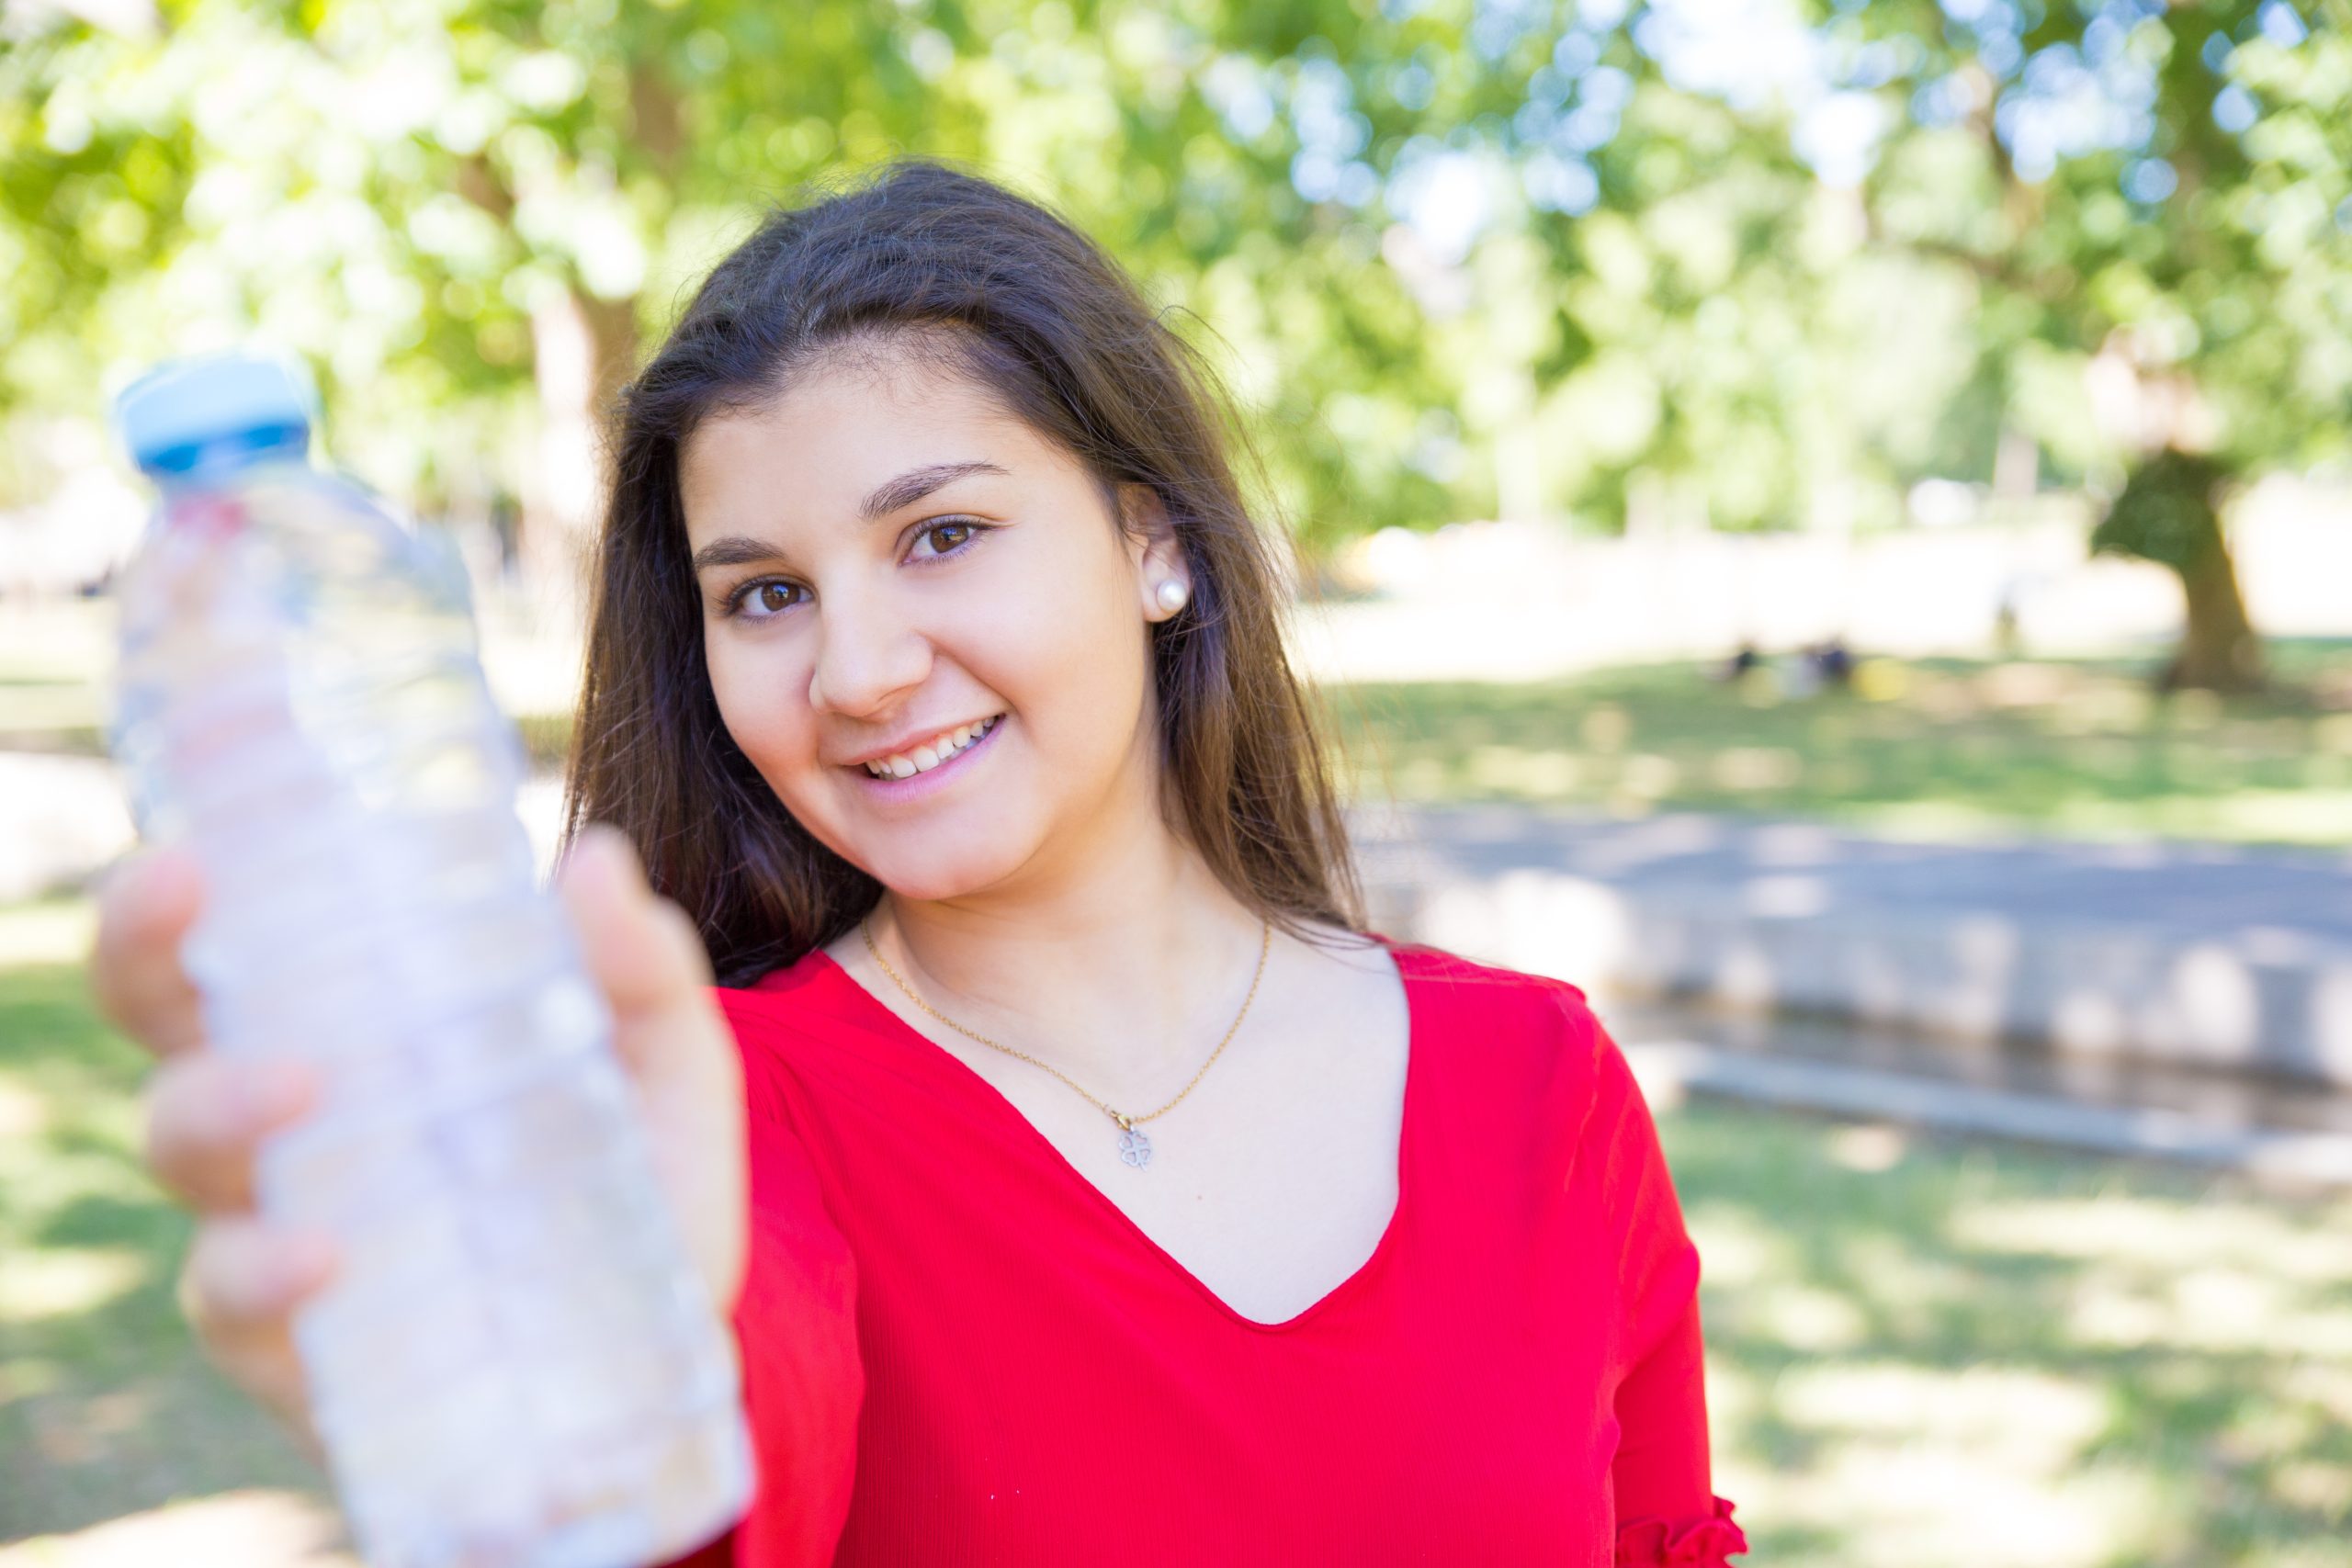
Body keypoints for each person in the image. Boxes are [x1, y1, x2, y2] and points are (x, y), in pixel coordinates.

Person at [89, 162, 1747, 1566]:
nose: (859, 672)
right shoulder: (701, 1129)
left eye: (940, 536)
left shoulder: (1537, 1081)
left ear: (1154, 541)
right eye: (764, 593)